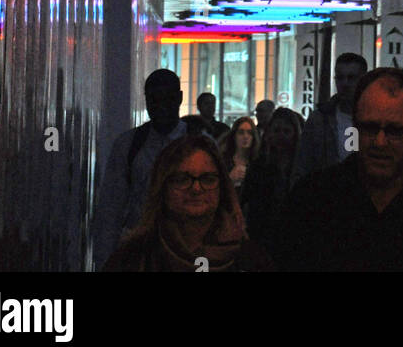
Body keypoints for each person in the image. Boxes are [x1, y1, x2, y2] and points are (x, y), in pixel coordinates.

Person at [274, 69, 403, 272]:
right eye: (370, 128)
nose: (380, 141)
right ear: (355, 127)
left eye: (394, 131)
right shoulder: (313, 200)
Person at [101, 136, 272, 272]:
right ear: (163, 186)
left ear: (222, 187)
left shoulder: (248, 258)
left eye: (207, 179)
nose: (196, 188)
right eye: (182, 179)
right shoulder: (134, 258)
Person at [92, 69, 197, 269]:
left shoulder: (131, 145)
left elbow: (111, 209)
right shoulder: (129, 145)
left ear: (179, 98)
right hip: (153, 251)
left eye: (167, 99)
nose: (161, 107)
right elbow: (110, 208)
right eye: (155, 100)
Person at [292, 52, 367, 182]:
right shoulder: (319, 120)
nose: (345, 83)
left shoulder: (374, 118)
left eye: (351, 78)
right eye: (340, 78)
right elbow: (304, 163)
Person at [241, 107, 302, 257]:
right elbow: (246, 200)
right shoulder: (258, 167)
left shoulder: (302, 168)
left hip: (295, 237)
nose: (281, 136)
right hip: (263, 237)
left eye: (286, 131)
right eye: (276, 131)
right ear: (268, 134)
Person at [218, 116, 260, 194]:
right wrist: (230, 179)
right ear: (234, 136)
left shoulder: (258, 162)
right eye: (241, 132)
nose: (246, 136)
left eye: (249, 133)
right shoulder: (223, 161)